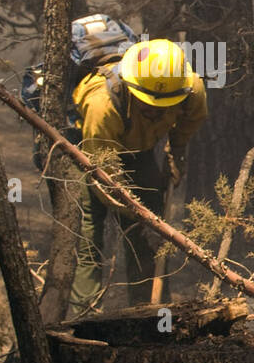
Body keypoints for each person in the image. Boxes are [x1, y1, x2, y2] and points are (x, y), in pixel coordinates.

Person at [69, 39, 208, 315]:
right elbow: (104, 177)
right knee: (88, 240)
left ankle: (150, 314)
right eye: (148, 105)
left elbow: (192, 120)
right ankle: (83, 319)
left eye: (164, 105)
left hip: (137, 150)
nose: (156, 111)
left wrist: (175, 152)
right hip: (88, 156)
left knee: (151, 240)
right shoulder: (103, 105)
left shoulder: (190, 89)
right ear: (131, 88)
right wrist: (137, 213)